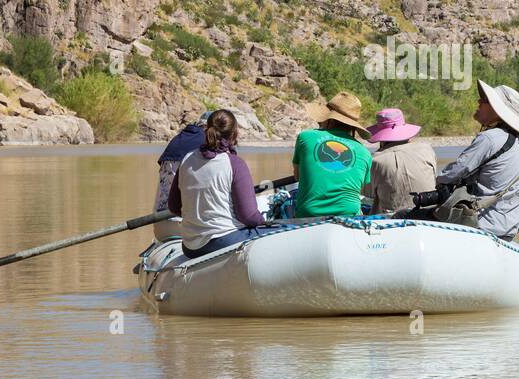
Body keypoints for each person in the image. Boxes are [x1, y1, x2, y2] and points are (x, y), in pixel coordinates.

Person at [167, 109, 277, 257]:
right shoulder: (235, 164)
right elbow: (248, 217)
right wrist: (264, 222)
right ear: (235, 134)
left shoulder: (186, 159)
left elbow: (174, 206)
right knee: (279, 232)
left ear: (206, 129)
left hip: (190, 247)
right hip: (223, 242)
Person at [434, 80, 519, 240]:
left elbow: (455, 173)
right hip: (509, 227)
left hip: (485, 224)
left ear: (497, 110)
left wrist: (432, 181)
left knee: (412, 215)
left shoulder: (489, 139)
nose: (479, 101)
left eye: (485, 99)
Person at [292, 91, 372, 218]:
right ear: (353, 126)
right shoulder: (365, 153)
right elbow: (357, 187)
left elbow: (298, 177)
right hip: (349, 215)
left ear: (329, 119)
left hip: (309, 214)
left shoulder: (305, 137)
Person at [363, 108, 436, 214]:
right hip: (430, 214)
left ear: (381, 138)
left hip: (393, 219)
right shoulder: (427, 149)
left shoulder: (375, 160)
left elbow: (367, 193)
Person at [151, 111, 210, 242]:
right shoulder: (207, 145)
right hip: (191, 226)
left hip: (160, 225)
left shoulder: (177, 139)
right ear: (210, 129)